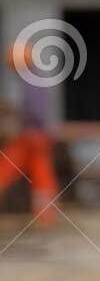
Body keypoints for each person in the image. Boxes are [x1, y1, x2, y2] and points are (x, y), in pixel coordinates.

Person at [0, 40, 61, 227]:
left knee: (5, 168)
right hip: (40, 136)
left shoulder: (30, 80)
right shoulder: (35, 78)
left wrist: (13, 112)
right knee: (42, 174)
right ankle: (46, 214)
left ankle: (45, 214)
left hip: (30, 136)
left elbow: (34, 111)